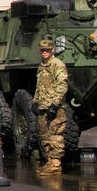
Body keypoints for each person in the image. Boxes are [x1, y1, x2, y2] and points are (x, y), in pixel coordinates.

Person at [33, 37, 68, 176]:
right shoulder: (42, 65)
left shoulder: (57, 64)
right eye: (42, 50)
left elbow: (62, 85)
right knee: (45, 135)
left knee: (55, 135)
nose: (45, 52)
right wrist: (35, 101)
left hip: (55, 107)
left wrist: (55, 104)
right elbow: (39, 86)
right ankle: (49, 161)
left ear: (52, 50)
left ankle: (55, 163)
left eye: (47, 50)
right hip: (43, 105)